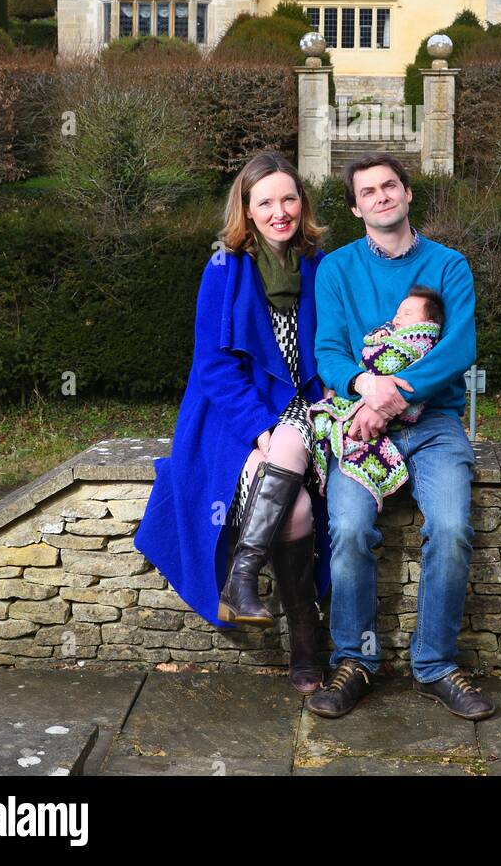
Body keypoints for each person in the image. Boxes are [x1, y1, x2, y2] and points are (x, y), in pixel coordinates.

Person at [133, 148, 331, 694]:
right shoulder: (225, 266)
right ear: (247, 208)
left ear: (302, 202)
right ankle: (306, 643)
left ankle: (247, 580)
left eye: (289, 197)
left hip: (305, 404)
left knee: (295, 499)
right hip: (232, 411)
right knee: (293, 512)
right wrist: (259, 430)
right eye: (265, 201)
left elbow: (330, 347)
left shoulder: (318, 264)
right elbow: (214, 367)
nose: (279, 211)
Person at [308, 153, 496, 721]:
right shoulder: (336, 270)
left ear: (408, 194)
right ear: (354, 206)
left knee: (451, 528)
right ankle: (354, 662)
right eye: (368, 191)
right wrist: (371, 391)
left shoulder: (449, 265)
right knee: (346, 528)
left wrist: (398, 394)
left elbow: (458, 348)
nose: (382, 196)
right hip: (361, 426)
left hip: (434, 426)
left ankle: (436, 665)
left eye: (391, 186)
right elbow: (329, 353)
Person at [307, 287, 443, 509]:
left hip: (409, 417)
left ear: (427, 324)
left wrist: (379, 405)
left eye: (407, 314)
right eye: (398, 312)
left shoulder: (420, 344)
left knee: (450, 525)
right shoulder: (390, 334)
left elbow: (389, 363)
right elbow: (350, 353)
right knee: (348, 524)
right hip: (364, 397)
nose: (398, 317)